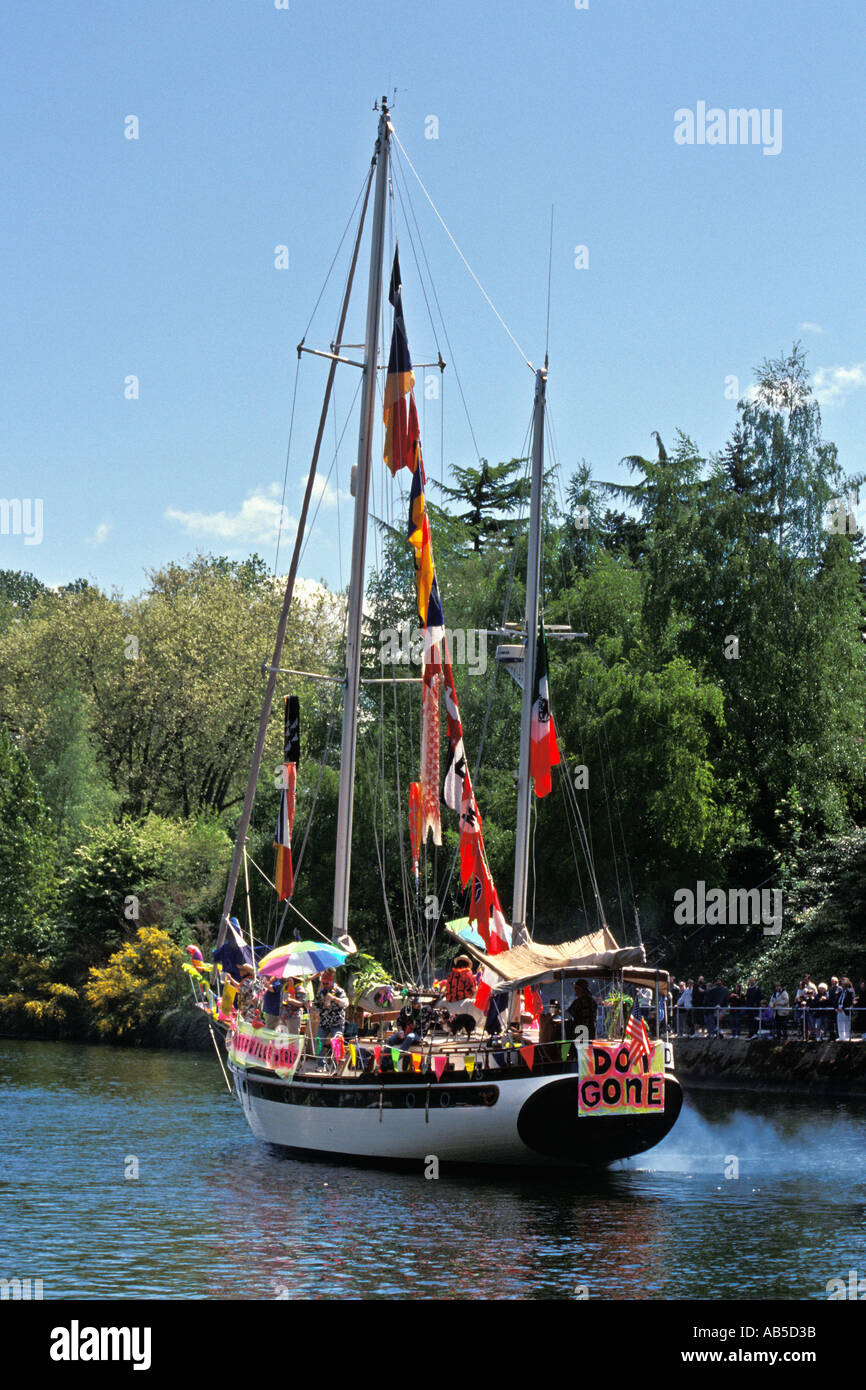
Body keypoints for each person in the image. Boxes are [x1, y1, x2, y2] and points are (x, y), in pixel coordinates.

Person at [315, 967, 349, 1044]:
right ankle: (320, 1056)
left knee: (337, 1044)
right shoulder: (321, 993)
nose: (325, 985)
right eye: (323, 983)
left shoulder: (339, 991)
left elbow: (346, 1004)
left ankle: (337, 1056)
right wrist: (310, 1006)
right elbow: (316, 1008)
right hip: (324, 1023)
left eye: (327, 983)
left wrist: (334, 998)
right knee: (318, 1043)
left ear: (332, 981)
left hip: (337, 1022)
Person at [837, 977, 855, 1041]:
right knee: (840, 1023)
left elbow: (850, 1001)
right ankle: (841, 1037)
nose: (842, 984)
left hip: (846, 1009)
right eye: (841, 983)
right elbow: (837, 1000)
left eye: (843, 982)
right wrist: (836, 1007)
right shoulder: (840, 992)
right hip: (839, 1009)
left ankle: (847, 1037)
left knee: (847, 1023)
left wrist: (843, 1007)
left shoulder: (850, 991)